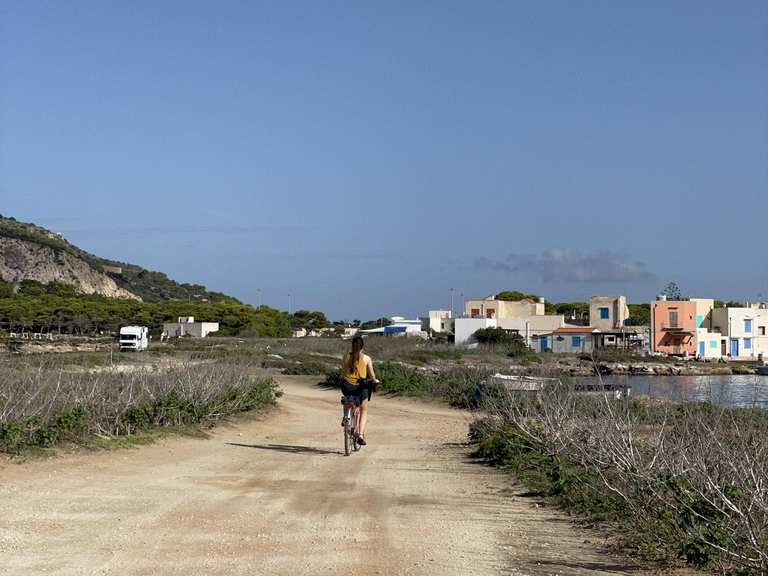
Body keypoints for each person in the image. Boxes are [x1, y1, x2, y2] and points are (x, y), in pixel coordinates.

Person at [340, 335, 379, 445]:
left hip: (346, 385)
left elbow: (342, 373)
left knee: (347, 398)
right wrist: (375, 381)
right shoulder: (366, 358)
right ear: (362, 346)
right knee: (363, 409)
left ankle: (345, 417)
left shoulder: (346, 356)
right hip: (360, 387)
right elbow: (372, 376)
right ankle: (360, 435)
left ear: (352, 345)